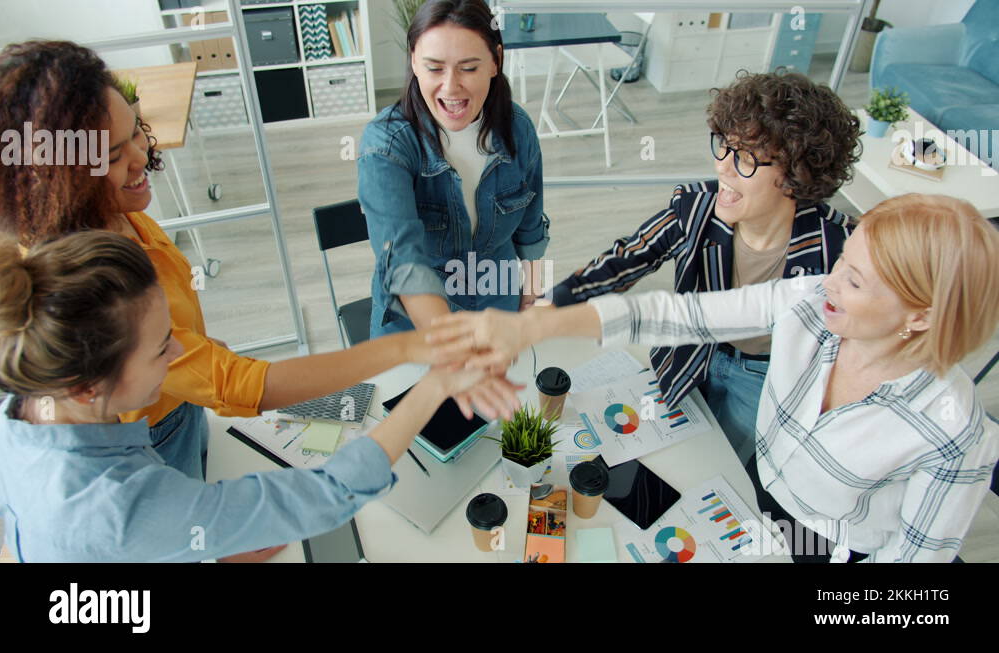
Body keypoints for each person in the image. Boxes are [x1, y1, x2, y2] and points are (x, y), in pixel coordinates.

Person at [0, 39, 514, 560]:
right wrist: (426, 372)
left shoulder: (42, 406)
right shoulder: (122, 507)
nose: (142, 156)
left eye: (135, 129)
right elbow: (320, 494)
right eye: (113, 154)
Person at [430, 194, 999, 562]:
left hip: (832, 550)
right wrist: (533, 327)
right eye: (841, 261)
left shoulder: (952, 429)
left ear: (921, 314)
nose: (827, 282)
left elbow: (915, 571)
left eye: (855, 281)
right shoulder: (811, 303)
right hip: (755, 487)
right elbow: (683, 316)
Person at [0, 231, 519, 562]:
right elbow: (326, 495)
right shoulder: (117, 512)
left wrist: (193, 533)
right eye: (162, 348)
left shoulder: (25, 407)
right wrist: (431, 387)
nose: (181, 348)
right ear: (88, 386)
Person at [544, 70, 862, 466]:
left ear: (796, 175)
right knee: (674, 453)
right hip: (692, 355)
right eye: (725, 147)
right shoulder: (695, 208)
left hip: (765, 378)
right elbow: (624, 261)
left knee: (731, 464)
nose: (724, 168)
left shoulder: (840, 248)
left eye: (746, 158)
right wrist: (547, 308)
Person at [358, 0, 549, 339]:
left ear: (496, 61)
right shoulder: (385, 143)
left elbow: (531, 225)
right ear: (413, 60)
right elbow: (404, 263)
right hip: (414, 321)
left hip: (498, 297)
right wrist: (455, 349)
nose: (450, 87)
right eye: (434, 68)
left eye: (469, 68)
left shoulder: (518, 129)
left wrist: (532, 290)